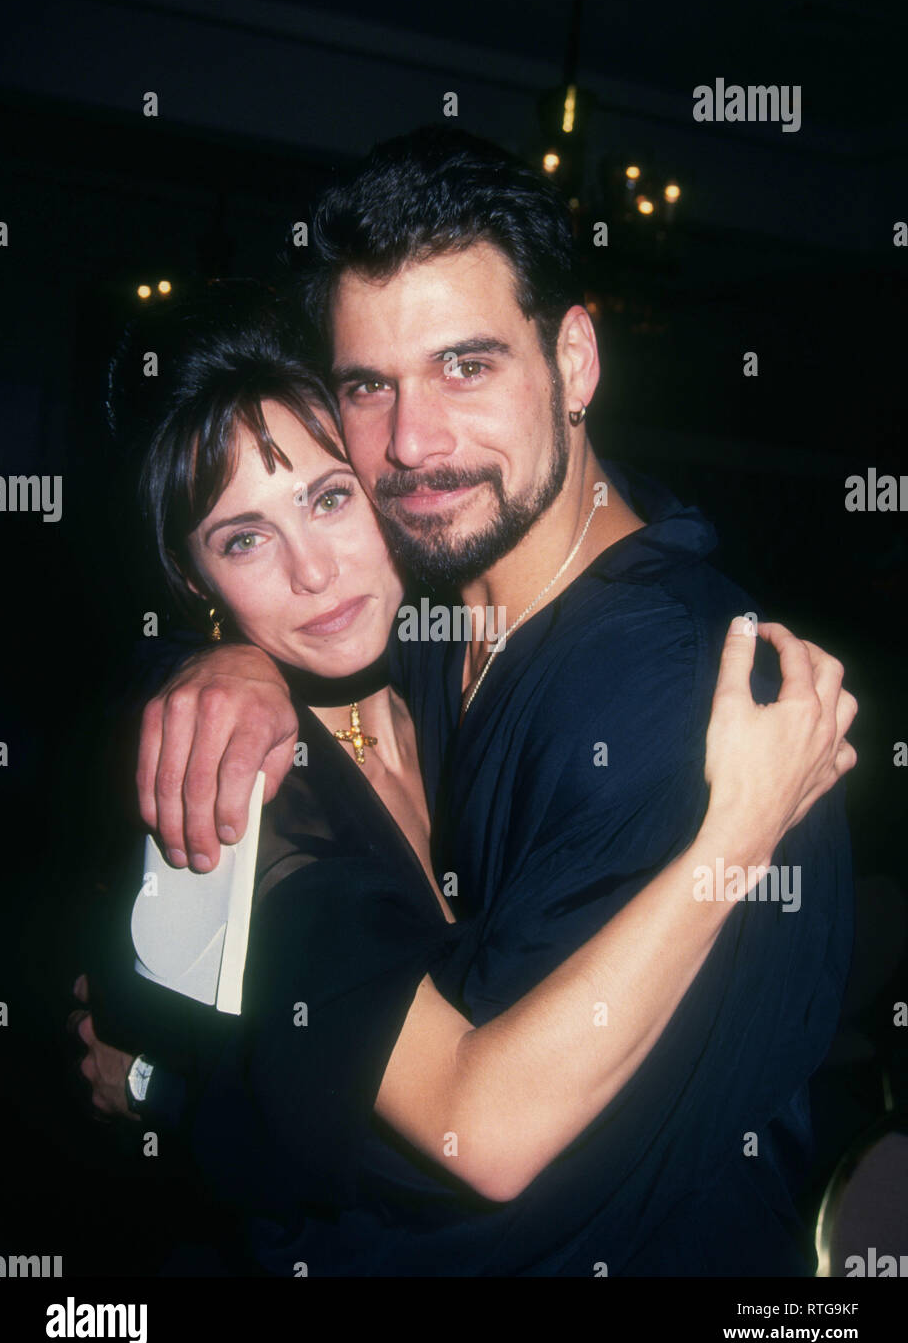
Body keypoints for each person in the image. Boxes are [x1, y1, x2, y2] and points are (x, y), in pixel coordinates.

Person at [81, 125, 856, 1274]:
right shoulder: (436, 635)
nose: (416, 443)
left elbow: (479, 1141)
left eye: (466, 363)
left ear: (577, 364)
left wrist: (175, 1096)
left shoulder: (664, 698)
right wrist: (218, 662)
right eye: (368, 386)